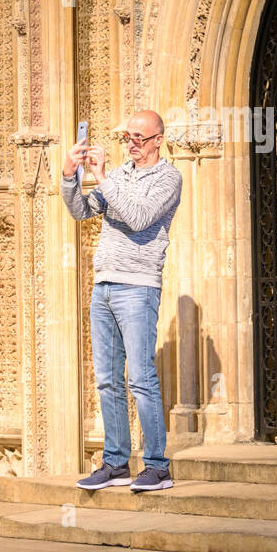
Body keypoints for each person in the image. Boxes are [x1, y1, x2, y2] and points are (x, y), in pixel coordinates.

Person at [60, 109, 183, 492]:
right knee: (107, 380)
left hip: (138, 286)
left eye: (139, 138)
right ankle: (115, 463)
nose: (131, 143)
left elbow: (138, 216)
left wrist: (102, 177)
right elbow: (81, 210)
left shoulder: (169, 178)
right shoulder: (118, 176)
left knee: (140, 379)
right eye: (127, 137)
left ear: (158, 139)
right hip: (105, 285)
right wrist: (70, 174)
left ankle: (157, 467)